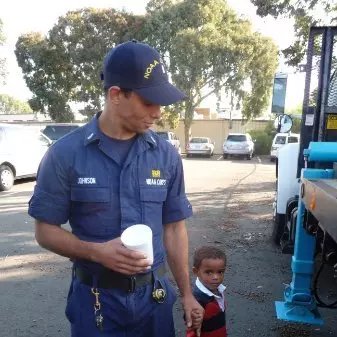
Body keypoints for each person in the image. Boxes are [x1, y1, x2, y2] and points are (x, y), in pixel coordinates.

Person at [28, 40, 203, 337]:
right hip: (96, 301)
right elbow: (45, 231)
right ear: (116, 95)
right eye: (149, 102)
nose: (158, 112)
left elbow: (174, 228)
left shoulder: (165, 155)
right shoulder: (64, 154)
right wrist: (97, 252)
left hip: (153, 301)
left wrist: (187, 294)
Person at [187, 246, 227, 337]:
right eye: (209, 272)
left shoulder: (218, 289)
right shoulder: (198, 300)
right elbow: (191, 330)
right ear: (196, 271)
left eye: (220, 272)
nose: (216, 277)